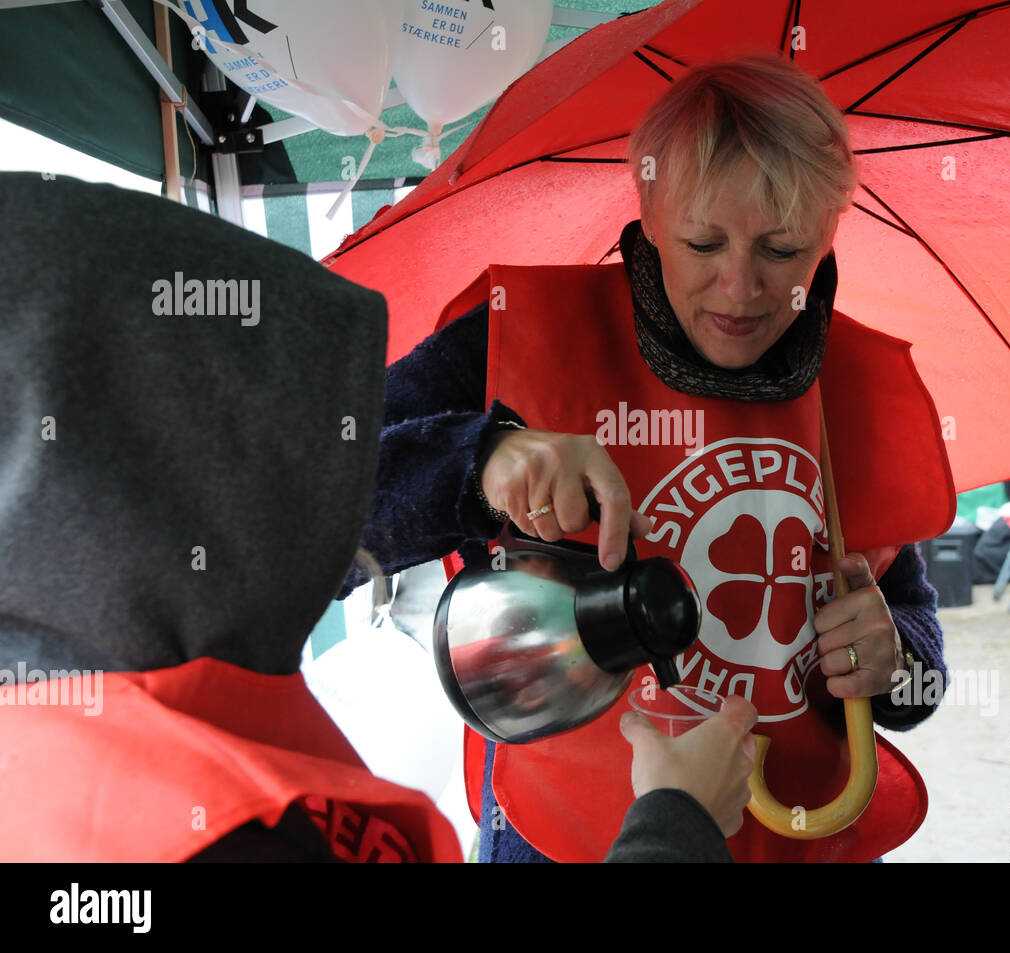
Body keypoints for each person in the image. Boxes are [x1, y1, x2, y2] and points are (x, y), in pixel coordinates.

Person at [0, 171, 756, 863]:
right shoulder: (168, 825)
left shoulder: (112, 718)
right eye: (282, 448)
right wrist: (677, 822)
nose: (329, 497)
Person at [345, 53, 956, 863]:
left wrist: (896, 660)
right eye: (703, 241)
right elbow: (310, 507)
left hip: (799, 834)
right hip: (571, 836)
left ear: (830, 233)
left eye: (782, 250)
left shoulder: (852, 384)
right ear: (649, 209)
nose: (739, 287)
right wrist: (481, 459)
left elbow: (918, 662)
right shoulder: (517, 336)